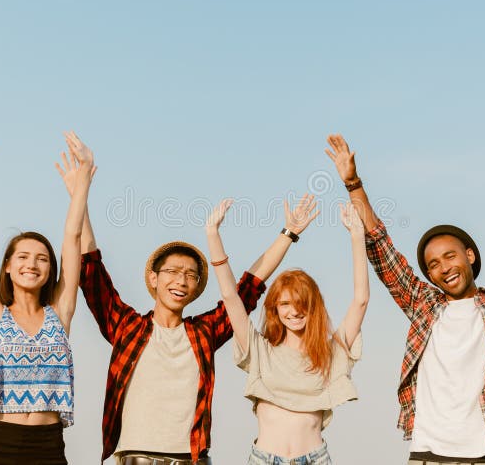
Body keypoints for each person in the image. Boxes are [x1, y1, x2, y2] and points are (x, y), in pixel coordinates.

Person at [324, 112, 485, 464]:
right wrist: (353, 184)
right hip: (428, 454)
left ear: (469, 256)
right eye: (433, 264)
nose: (444, 267)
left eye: (449, 256)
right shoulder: (423, 304)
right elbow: (380, 247)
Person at [72, 176, 318, 465]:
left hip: (192, 459)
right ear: (154, 278)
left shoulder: (204, 332)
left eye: (190, 275)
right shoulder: (127, 327)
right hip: (136, 458)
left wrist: (288, 233)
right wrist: (80, 195)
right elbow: (91, 268)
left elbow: (249, 287)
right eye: (173, 271)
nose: (181, 280)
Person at [0, 126, 94, 465]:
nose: (32, 264)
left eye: (42, 258)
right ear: (6, 266)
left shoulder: (60, 312)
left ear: (51, 270)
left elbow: (73, 237)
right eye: (23, 257)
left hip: (46, 446)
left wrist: (84, 179)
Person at [206, 196, 369, 465]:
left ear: (312, 307)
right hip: (264, 459)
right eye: (285, 304)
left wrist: (356, 237)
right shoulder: (260, 350)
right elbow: (231, 297)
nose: (293, 312)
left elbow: (361, 300)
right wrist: (213, 235)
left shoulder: (330, 353)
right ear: (275, 309)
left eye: (301, 303)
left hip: (315, 458)